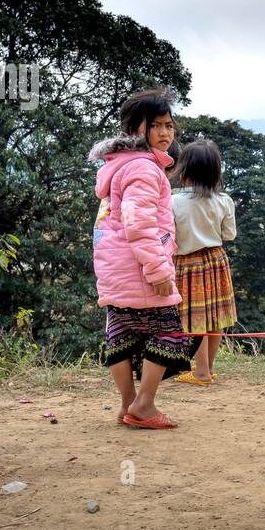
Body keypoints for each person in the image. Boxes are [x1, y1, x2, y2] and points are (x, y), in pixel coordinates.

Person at [91, 87, 190, 429]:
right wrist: (158, 270)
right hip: (140, 269)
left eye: (169, 126)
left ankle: (126, 406)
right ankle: (144, 405)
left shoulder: (117, 166)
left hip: (113, 268)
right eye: (157, 125)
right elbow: (139, 224)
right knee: (166, 330)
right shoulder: (145, 170)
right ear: (137, 129)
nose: (165, 133)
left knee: (121, 332)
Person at [169, 139, 238, 386]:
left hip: (187, 264)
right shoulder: (223, 200)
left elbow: (168, 234)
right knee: (214, 316)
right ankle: (208, 368)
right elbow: (229, 235)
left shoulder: (173, 201)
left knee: (194, 317)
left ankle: (200, 372)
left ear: (183, 170)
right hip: (216, 260)